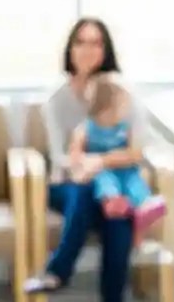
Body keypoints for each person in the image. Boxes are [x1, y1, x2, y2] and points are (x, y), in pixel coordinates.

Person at [22, 17, 151, 302]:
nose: (88, 50)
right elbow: (59, 157)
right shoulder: (56, 100)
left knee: (117, 219)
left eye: (96, 43)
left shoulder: (122, 93)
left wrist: (100, 163)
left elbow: (137, 150)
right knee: (85, 189)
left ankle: (68, 282)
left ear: (106, 50)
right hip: (67, 186)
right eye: (81, 42)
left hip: (113, 185)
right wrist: (87, 167)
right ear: (70, 49)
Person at [67, 78, 167, 249]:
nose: (124, 110)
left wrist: (121, 158)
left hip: (125, 169)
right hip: (101, 170)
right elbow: (75, 156)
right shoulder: (86, 129)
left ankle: (144, 206)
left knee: (135, 182)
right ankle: (112, 201)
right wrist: (85, 163)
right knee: (104, 179)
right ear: (104, 107)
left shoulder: (124, 128)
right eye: (120, 106)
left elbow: (134, 153)